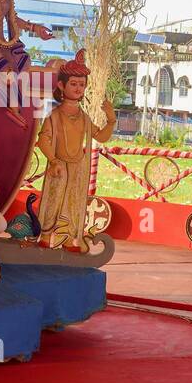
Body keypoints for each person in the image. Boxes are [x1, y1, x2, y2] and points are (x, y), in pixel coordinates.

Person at [36, 50, 115, 251]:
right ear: (61, 86)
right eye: (73, 84)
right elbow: (43, 140)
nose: (78, 88)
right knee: (53, 202)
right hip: (59, 166)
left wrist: (111, 120)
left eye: (81, 84)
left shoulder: (84, 118)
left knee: (73, 205)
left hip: (78, 168)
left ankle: (71, 240)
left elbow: (101, 137)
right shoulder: (54, 116)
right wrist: (53, 161)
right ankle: (45, 237)